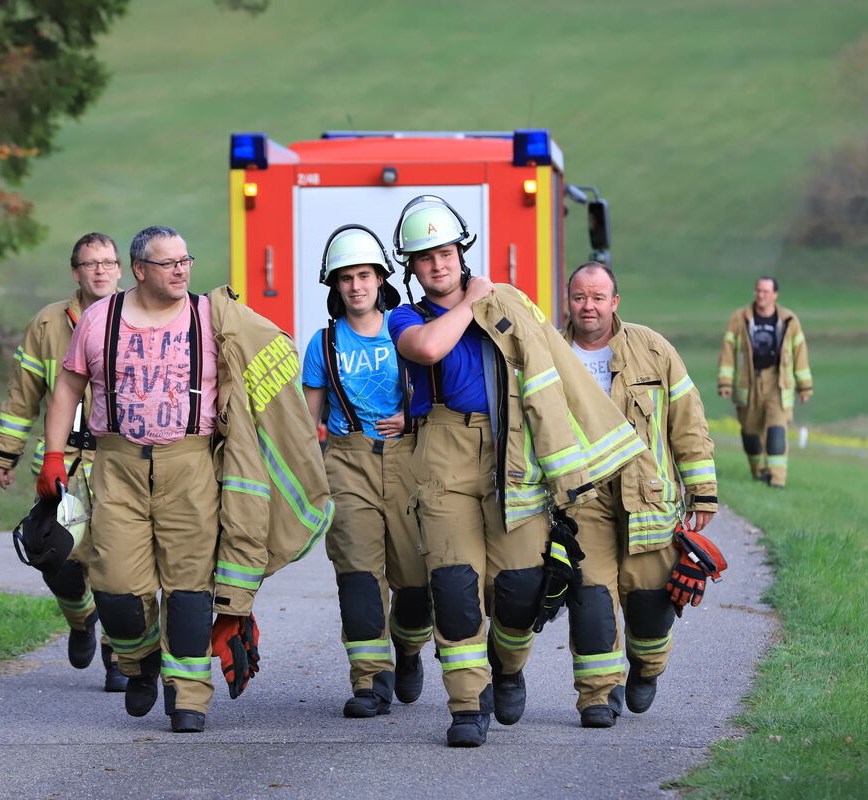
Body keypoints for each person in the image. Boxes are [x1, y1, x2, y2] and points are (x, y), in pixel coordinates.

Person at [38, 226, 332, 734]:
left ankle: (189, 697)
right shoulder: (98, 319)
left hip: (192, 465)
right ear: (140, 270)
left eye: (185, 260)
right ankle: (140, 663)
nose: (181, 269)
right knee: (117, 591)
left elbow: (273, 352)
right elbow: (68, 386)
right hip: (117, 466)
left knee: (189, 590)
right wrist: (53, 456)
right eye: (168, 262)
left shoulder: (213, 319)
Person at [388, 196, 649, 747]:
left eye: (445, 253)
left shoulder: (511, 306)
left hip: (514, 456)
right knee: (455, 587)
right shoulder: (406, 318)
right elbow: (431, 348)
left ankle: (507, 667)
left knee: (522, 589)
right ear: (411, 267)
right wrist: (476, 300)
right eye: (424, 257)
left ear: (461, 252)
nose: (438, 265)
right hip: (443, 452)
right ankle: (466, 705)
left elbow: (556, 375)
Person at [561, 262, 719, 728]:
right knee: (590, 600)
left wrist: (703, 492)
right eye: (578, 297)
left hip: (648, 503)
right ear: (568, 301)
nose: (588, 306)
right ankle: (597, 694)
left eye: (597, 297)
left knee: (651, 613)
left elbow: (687, 423)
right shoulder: (551, 353)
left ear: (615, 302)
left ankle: (647, 669)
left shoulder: (654, 350)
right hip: (582, 502)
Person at [301, 225, 432, 719]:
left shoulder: (408, 329)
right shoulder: (324, 343)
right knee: (358, 575)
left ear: (381, 279)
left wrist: (413, 416)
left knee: (417, 579)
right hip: (346, 460)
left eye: (364, 276)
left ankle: (410, 648)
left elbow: (438, 398)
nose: (356, 286)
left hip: (409, 460)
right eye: (345, 279)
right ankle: (370, 681)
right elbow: (306, 422)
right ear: (334, 286)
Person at [0, 231, 126, 692]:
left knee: (117, 561)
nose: (101, 270)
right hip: (61, 460)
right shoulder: (46, 324)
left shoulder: (140, 317)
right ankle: (81, 618)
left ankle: (117, 655)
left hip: (118, 460)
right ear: (76, 272)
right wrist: (5, 452)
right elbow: (22, 396)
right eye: (91, 263)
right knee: (56, 558)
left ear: (122, 270)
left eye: (108, 262)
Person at [717, 277, 813, 488]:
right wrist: (725, 382)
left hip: (777, 383)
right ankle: (758, 472)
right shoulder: (740, 318)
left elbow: (800, 353)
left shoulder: (789, 320)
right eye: (758, 291)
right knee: (750, 432)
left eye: (766, 291)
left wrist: (804, 386)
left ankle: (777, 480)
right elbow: (727, 351)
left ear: (775, 295)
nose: (761, 295)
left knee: (776, 431)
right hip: (748, 382)